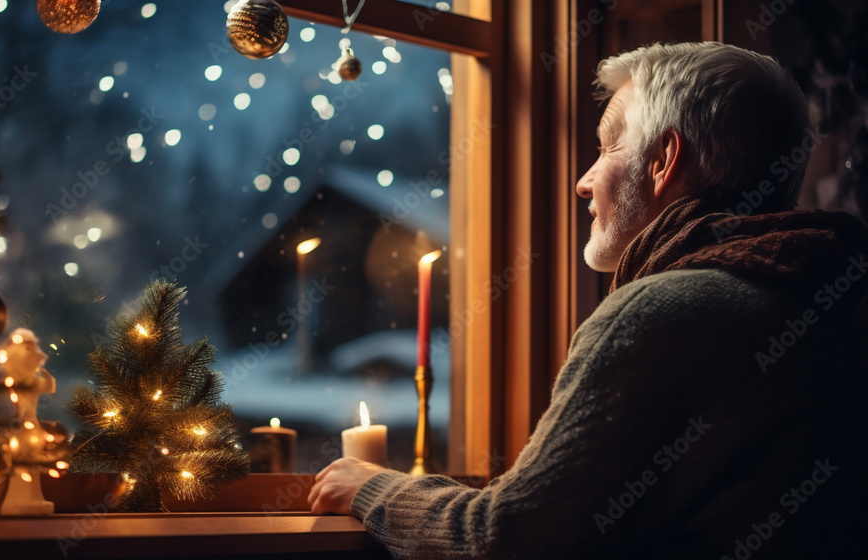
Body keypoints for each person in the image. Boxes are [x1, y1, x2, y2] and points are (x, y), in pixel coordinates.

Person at [308, 42, 868, 559]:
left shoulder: (666, 311)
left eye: (607, 147)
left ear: (664, 160)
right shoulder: (821, 298)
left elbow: (504, 538)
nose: (583, 181)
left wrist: (370, 487)